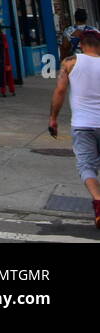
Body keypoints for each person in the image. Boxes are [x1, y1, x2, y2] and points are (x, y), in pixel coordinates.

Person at [49, 27, 100, 229]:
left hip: (83, 125)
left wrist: (53, 118)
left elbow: (60, 91)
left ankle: (98, 202)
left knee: (86, 167)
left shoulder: (70, 62)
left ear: (82, 44)